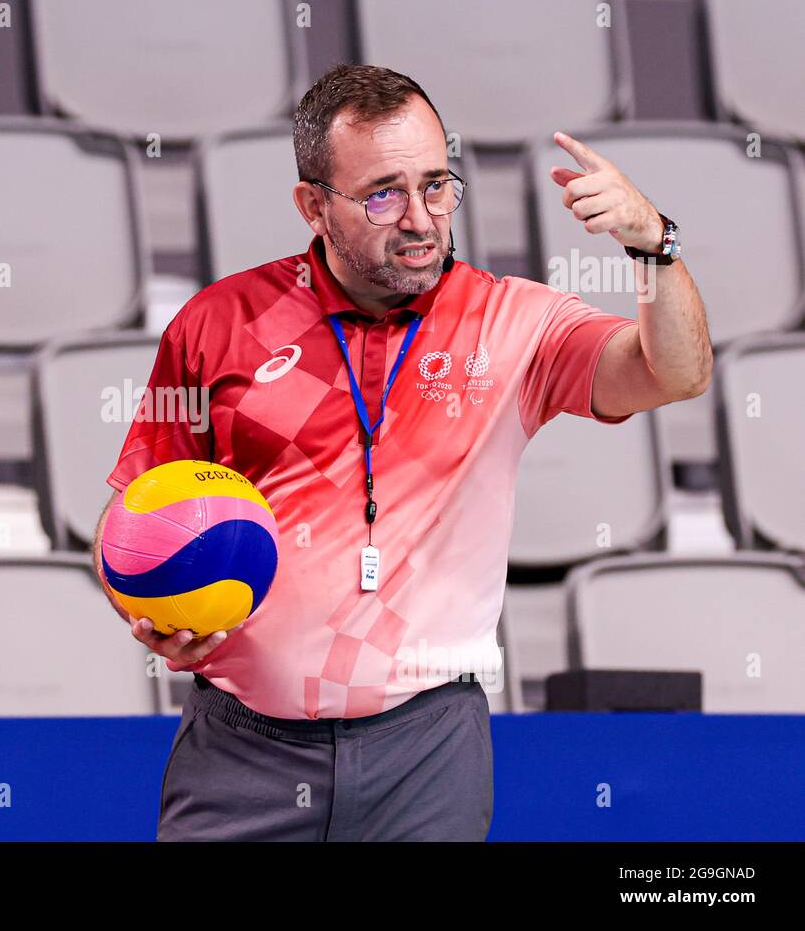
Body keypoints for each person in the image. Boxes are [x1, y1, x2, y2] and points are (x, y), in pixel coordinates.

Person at [91, 64, 712, 841]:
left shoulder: (512, 323)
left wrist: (653, 245)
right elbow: (135, 513)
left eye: (436, 185)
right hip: (240, 751)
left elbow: (676, 374)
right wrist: (140, 605)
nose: (419, 218)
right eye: (382, 193)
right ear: (314, 206)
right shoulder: (221, 322)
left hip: (429, 752)